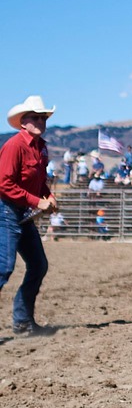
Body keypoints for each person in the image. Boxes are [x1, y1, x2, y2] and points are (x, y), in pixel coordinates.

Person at [0, 96, 58, 335]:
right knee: (3, 267)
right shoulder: (15, 145)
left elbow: (39, 182)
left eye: (43, 117)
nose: (41, 120)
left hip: (22, 212)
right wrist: (38, 201)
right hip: (6, 211)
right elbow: (4, 183)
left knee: (38, 264)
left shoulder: (40, 147)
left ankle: (23, 321)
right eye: (35, 117)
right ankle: (23, 321)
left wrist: (49, 196)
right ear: (23, 122)